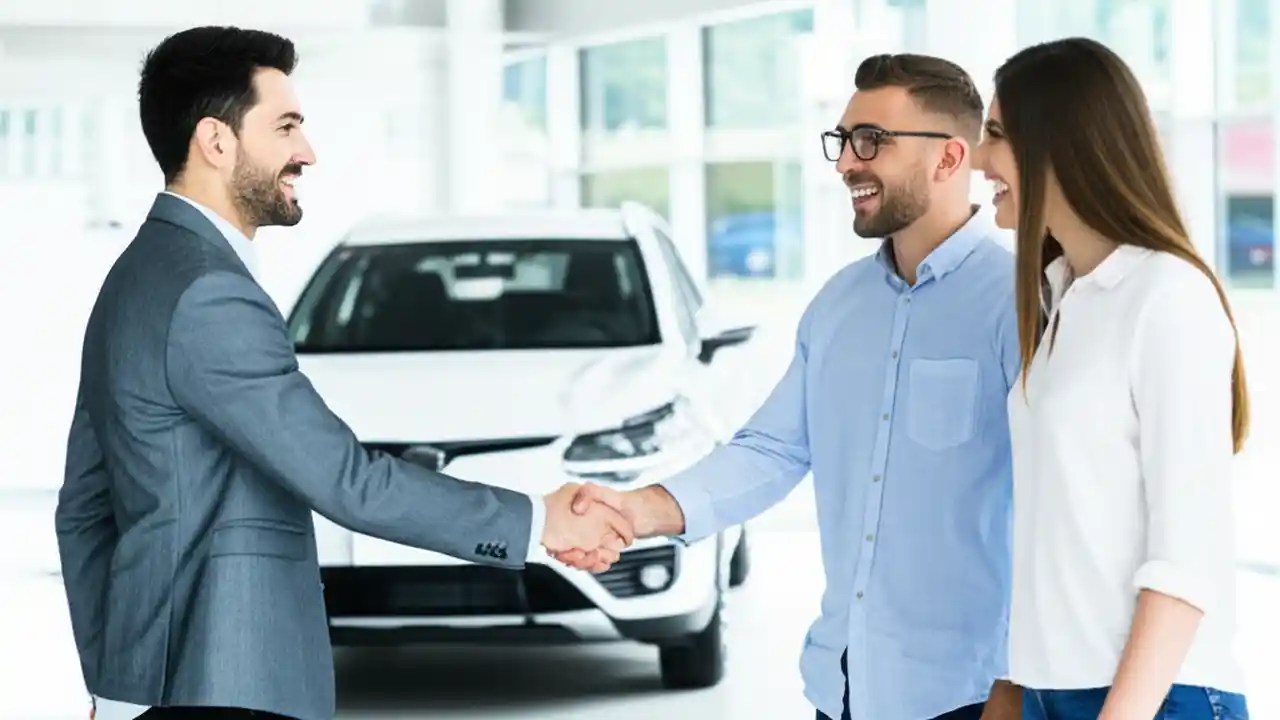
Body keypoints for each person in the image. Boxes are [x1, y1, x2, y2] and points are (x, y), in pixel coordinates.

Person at [54, 26, 631, 720]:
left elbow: (84, 509)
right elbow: (346, 482)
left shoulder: (138, 277)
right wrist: (539, 523)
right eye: (287, 126)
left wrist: (116, 683)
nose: (307, 152)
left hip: (158, 684)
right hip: (231, 681)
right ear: (216, 141)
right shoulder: (209, 292)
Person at [558, 54, 1023, 720]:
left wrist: (1020, 677)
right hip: (843, 689)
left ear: (949, 159)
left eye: (871, 141)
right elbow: (772, 450)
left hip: (975, 695)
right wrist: (635, 513)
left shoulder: (1018, 303)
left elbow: (1056, 511)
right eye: (843, 140)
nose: (845, 164)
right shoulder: (838, 307)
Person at [971, 37, 1251, 720]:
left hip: (1157, 697)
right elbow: (1053, 531)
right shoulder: (1062, 298)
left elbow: (1185, 558)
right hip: (1052, 691)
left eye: (998, 135)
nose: (979, 159)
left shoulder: (1166, 295)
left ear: (1061, 144)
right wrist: (1011, 691)